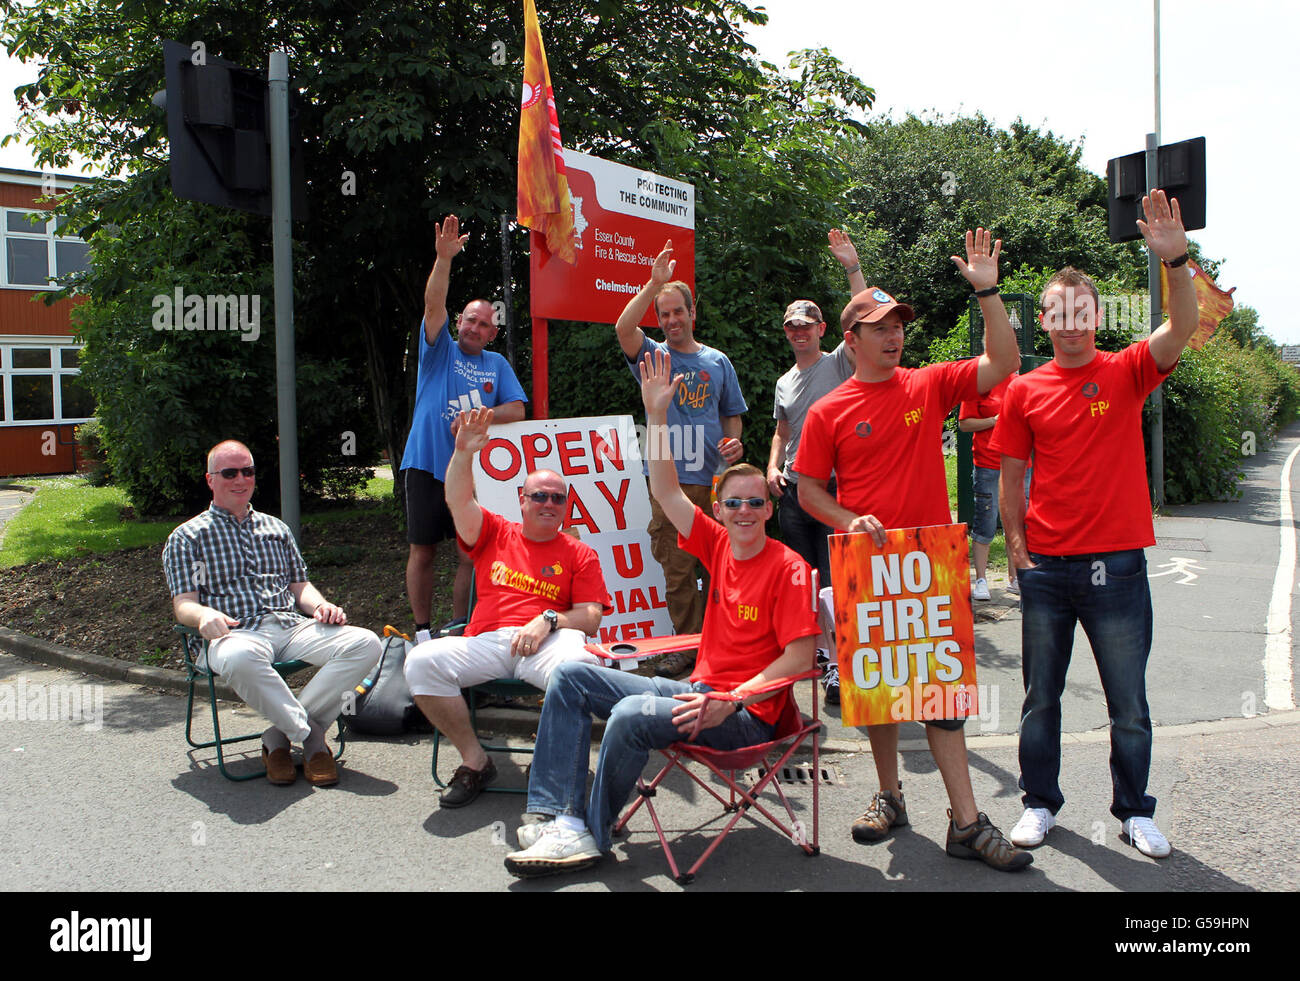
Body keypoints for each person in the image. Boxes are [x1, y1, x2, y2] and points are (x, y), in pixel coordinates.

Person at [502, 349, 820, 877]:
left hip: (746, 718)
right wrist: (655, 414)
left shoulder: (789, 569)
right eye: (734, 503)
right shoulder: (718, 545)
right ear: (717, 509)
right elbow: (666, 489)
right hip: (697, 694)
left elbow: (800, 658)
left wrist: (732, 699)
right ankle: (554, 813)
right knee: (573, 677)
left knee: (628, 717)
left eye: (756, 503)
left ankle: (586, 835)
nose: (745, 512)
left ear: (770, 509)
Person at [795, 229, 1031, 871]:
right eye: (880, 326)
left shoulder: (928, 384)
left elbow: (1004, 363)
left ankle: (967, 822)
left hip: (931, 563)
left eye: (898, 322)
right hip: (865, 565)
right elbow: (809, 492)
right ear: (852, 340)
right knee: (877, 692)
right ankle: (890, 796)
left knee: (940, 697)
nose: (894, 334)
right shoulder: (828, 410)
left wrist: (988, 291)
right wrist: (850, 516)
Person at [994, 190, 1194, 859]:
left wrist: (1176, 262)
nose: (1072, 323)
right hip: (1047, 569)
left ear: (1096, 316)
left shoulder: (1128, 370)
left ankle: (1134, 810)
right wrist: (1016, 549)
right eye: (1059, 312)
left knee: (1128, 704)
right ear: (1045, 320)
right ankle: (1038, 802)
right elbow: (1011, 478)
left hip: (1119, 568)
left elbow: (1181, 326)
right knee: (1039, 700)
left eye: (1082, 311)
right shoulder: (1024, 388)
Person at [403, 406, 611, 808]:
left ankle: (553, 759)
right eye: (539, 496)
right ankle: (475, 761)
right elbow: (458, 499)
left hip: (547, 643)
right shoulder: (495, 531)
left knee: (581, 668)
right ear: (522, 499)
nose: (548, 503)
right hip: (488, 642)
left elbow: (591, 616)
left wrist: (547, 619)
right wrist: (463, 453)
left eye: (557, 497)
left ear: (566, 505)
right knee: (420, 662)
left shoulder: (579, 552)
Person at [163, 440, 382, 786]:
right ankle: (311, 739)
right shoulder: (187, 537)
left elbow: (300, 587)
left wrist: (320, 605)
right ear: (210, 480)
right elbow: (183, 604)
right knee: (237, 659)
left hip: (289, 625)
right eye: (230, 473)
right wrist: (203, 616)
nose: (240, 480)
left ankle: (278, 738)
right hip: (234, 632)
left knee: (366, 643)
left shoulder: (276, 529)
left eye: (247, 471)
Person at [614, 240, 748, 678]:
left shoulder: (718, 361)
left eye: (678, 311)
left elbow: (732, 416)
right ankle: (688, 648)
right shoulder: (654, 356)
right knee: (676, 574)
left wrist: (733, 446)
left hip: (712, 484)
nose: (671, 320)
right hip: (666, 484)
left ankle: (723, 645)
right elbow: (622, 328)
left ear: (693, 313)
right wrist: (652, 284)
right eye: (664, 313)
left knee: (719, 571)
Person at [401, 214, 527, 644]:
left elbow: (518, 409)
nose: (474, 328)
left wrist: (482, 418)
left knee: (468, 553)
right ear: (459, 322)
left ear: (493, 333)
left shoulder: (496, 365)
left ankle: (461, 628)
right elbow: (432, 304)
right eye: (469, 320)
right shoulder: (439, 351)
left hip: (469, 474)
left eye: (484, 324)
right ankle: (421, 633)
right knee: (422, 549)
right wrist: (443, 259)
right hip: (425, 462)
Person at [768, 229, 868, 704]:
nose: (799, 332)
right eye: (792, 326)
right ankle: (821, 660)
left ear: (823, 330)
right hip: (792, 489)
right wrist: (771, 469)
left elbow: (866, 317)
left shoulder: (840, 364)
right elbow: (782, 431)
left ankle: (845, 665)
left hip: (833, 488)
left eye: (807, 325)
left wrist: (852, 268)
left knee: (835, 578)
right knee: (806, 580)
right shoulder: (784, 382)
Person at [957, 371, 1027, 599]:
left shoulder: (1021, 384)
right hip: (988, 464)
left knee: (1016, 522)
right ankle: (980, 580)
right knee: (985, 521)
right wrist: (994, 421)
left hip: (1019, 464)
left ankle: (1015, 577)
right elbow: (964, 424)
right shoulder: (978, 385)